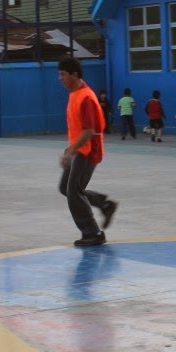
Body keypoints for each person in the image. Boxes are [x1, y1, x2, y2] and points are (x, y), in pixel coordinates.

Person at [57, 58, 117, 246]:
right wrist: (71, 148)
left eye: (63, 74)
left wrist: (71, 150)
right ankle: (104, 204)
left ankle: (94, 233)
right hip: (79, 150)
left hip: (88, 151)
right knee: (66, 187)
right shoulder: (74, 94)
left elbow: (90, 130)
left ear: (74, 74)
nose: (60, 78)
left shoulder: (86, 97)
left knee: (73, 190)